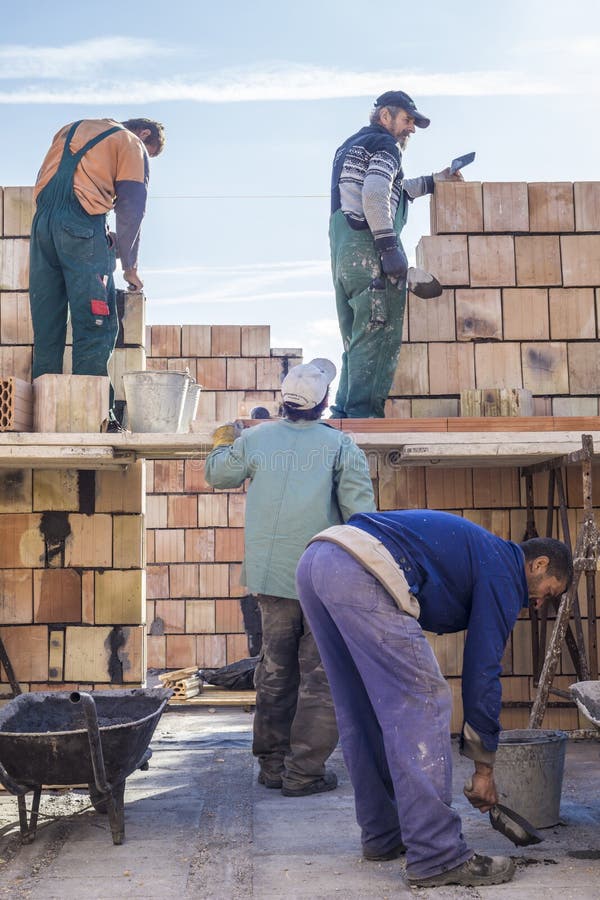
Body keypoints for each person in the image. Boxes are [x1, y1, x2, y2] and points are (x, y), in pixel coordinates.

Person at [296, 509, 572, 887]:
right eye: (549, 591)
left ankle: (383, 833)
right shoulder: (506, 571)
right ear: (538, 563)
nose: (541, 603)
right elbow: (483, 670)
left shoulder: (483, 554)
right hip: (359, 569)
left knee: (361, 709)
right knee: (424, 698)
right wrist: (484, 768)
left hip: (319, 560)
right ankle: (436, 853)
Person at [204, 358, 376, 796]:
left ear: (283, 403)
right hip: (324, 579)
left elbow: (218, 472)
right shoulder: (341, 447)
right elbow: (362, 518)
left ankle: (273, 767)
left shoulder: (258, 440)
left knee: (275, 671)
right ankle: (304, 773)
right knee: (321, 677)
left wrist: (226, 438)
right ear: (323, 406)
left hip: (271, 578)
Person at [329, 90, 463, 419]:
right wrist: (389, 248)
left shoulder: (350, 146)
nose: (411, 129)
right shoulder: (385, 145)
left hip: (345, 257)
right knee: (377, 332)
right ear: (384, 116)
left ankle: (344, 413)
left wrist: (435, 181)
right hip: (370, 248)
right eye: (407, 120)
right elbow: (375, 193)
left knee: (355, 339)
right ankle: (363, 418)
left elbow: (392, 189)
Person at [29, 117, 165, 383]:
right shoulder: (131, 142)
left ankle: (41, 410)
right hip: (82, 225)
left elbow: (69, 194)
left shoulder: (70, 128)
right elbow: (131, 209)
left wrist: (100, 238)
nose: (146, 159)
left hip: (42, 229)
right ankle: (92, 414)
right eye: (150, 154)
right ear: (144, 133)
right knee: (95, 324)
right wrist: (130, 267)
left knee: (47, 325)